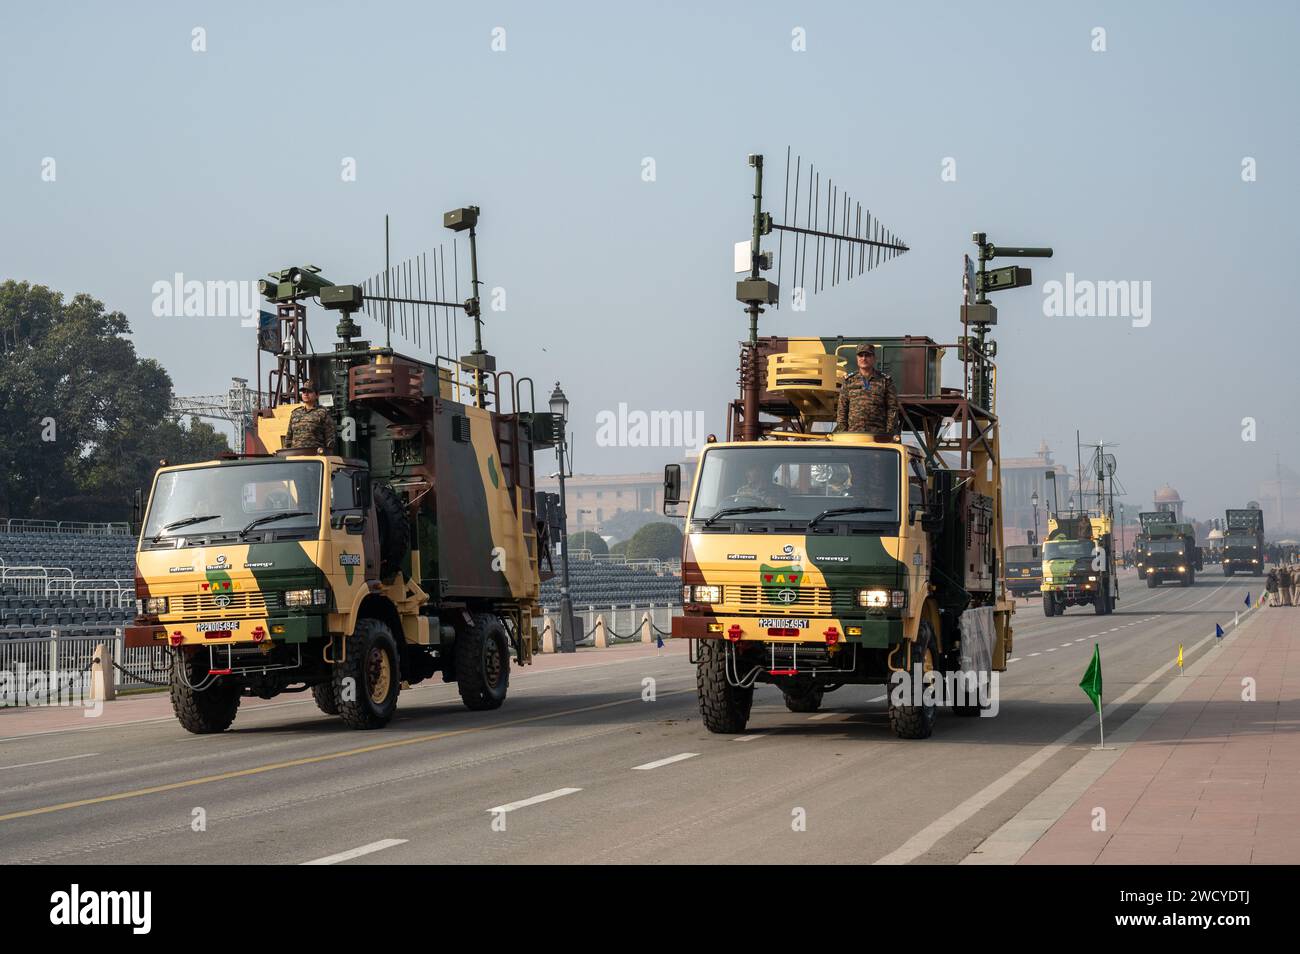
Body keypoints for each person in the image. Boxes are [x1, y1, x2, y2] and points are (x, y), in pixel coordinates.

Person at [835, 343, 900, 438]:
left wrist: (889, 433)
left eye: (867, 355)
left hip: (878, 435)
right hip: (853, 434)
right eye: (860, 355)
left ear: (874, 358)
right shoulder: (849, 381)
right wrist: (843, 433)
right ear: (857, 359)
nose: (864, 358)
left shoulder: (885, 381)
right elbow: (842, 409)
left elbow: (892, 409)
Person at [283, 380, 337, 453]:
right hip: (296, 455)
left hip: (315, 455)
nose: (306, 394)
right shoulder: (295, 413)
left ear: (317, 395)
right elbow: (288, 438)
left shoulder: (323, 413)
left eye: (309, 391)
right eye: (304, 392)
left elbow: (330, 439)